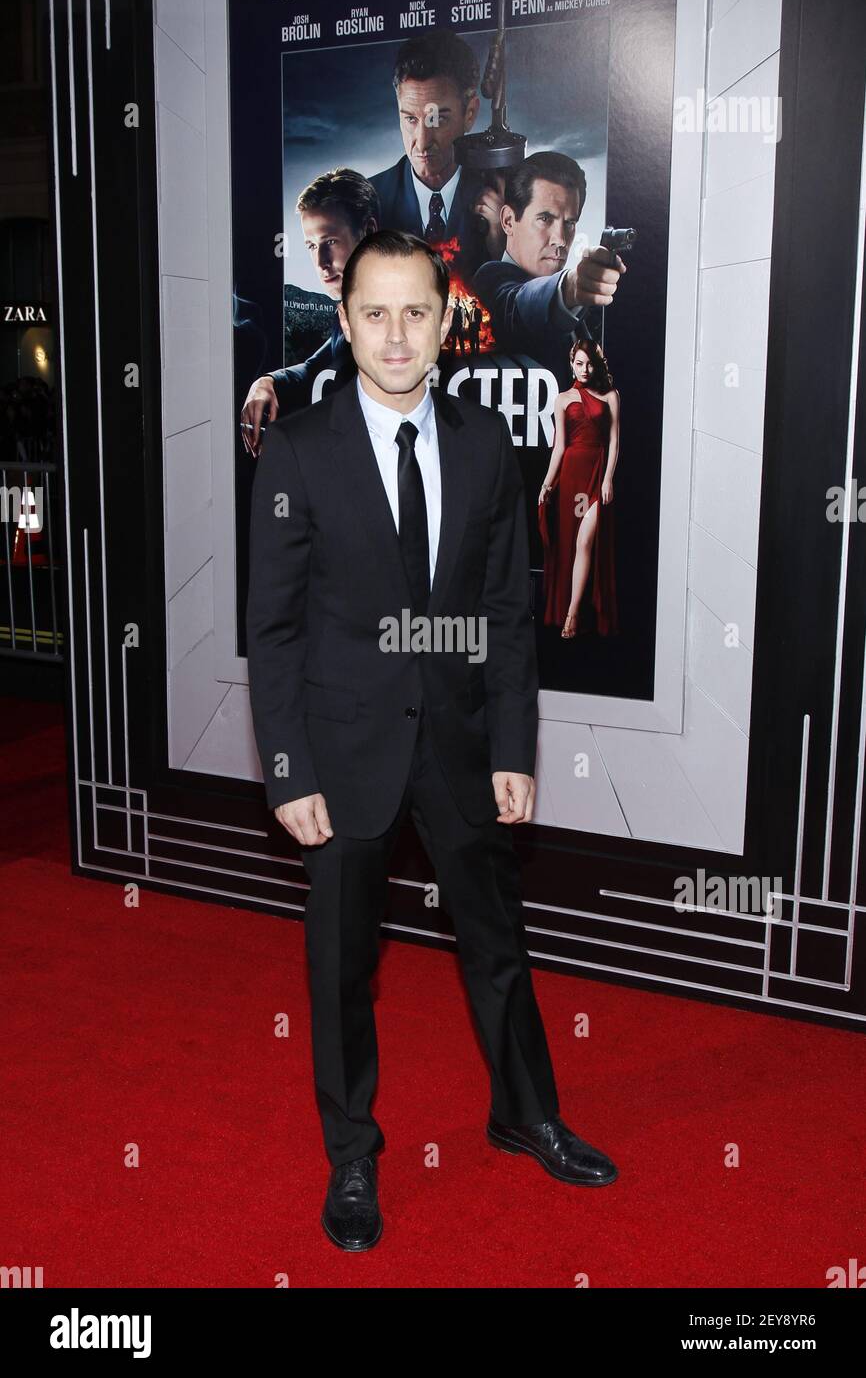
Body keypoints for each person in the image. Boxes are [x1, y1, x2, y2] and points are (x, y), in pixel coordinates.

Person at [245, 229, 618, 1252]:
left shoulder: (484, 444)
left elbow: (505, 611)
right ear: (346, 318)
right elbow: (271, 626)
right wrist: (287, 766)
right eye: (374, 312)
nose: (396, 333)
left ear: (448, 320)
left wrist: (512, 747)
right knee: (339, 968)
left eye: (417, 311)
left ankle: (524, 1111)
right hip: (340, 752)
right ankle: (352, 1155)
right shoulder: (299, 446)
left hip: (458, 745)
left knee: (497, 943)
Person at [240, 168, 378, 454]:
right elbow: (314, 367)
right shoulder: (351, 310)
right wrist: (266, 382)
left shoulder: (393, 311)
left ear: (368, 231)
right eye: (311, 246)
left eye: (330, 242)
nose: (321, 262)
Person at [472, 151, 627, 389]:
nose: (561, 240)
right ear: (509, 221)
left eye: (569, 223)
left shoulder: (582, 312)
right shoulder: (490, 283)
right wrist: (572, 288)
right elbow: (521, 305)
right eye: (545, 219)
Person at [369, 29, 506, 285]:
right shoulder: (367, 201)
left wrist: (504, 245)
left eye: (437, 119)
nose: (421, 142)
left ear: (470, 113)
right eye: (410, 118)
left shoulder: (505, 198)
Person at [538, 339, 620, 637]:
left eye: (589, 363)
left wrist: (608, 477)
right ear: (572, 364)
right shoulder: (562, 399)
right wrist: (547, 484)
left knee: (585, 541)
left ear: (597, 363)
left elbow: (614, 442)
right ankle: (571, 611)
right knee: (572, 542)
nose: (585, 369)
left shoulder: (610, 395)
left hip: (596, 476)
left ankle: (571, 616)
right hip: (572, 477)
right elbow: (559, 447)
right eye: (579, 363)